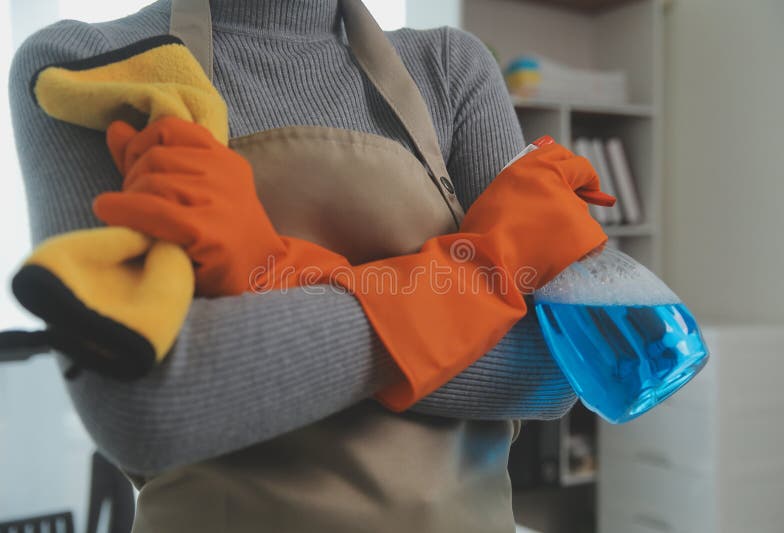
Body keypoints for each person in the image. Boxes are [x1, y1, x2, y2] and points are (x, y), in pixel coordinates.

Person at [9, 0, 580, 530]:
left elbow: (557, 370)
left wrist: (268, 272)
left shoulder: (451, 68)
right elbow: (150, 406)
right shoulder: (89, 67)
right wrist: (480, 283)